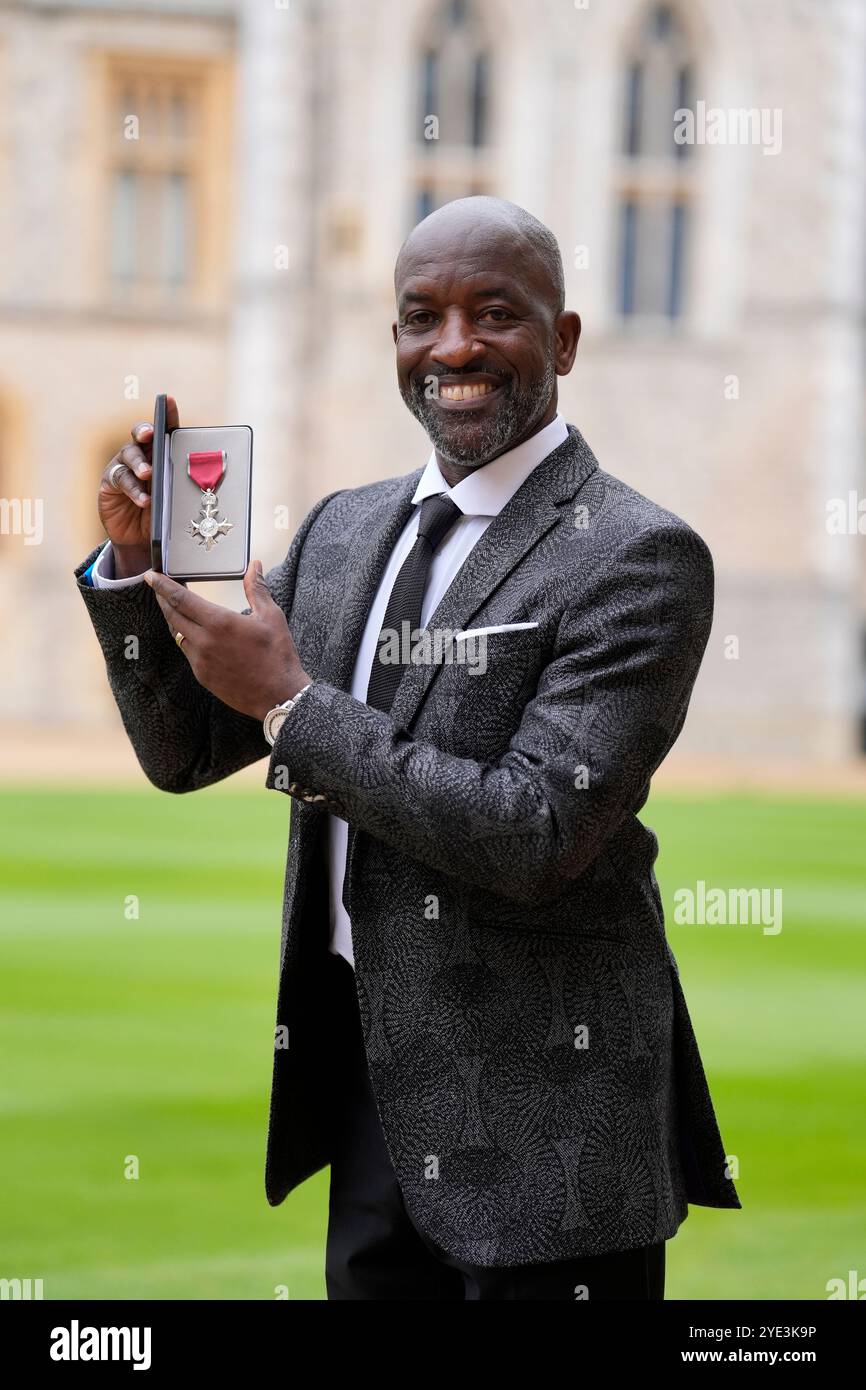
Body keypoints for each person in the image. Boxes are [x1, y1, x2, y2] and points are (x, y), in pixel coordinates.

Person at [75, 196, 741, 1300]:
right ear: (392, 341)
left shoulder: (637, 556)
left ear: (563, 339)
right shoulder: (344, 529)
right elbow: (185, 749)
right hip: (372, 1088)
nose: (454, 347)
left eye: (495, 313)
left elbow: (535, 830)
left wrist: (292, 701)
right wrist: (131, 568)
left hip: (551, 1129)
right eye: (419, 316)